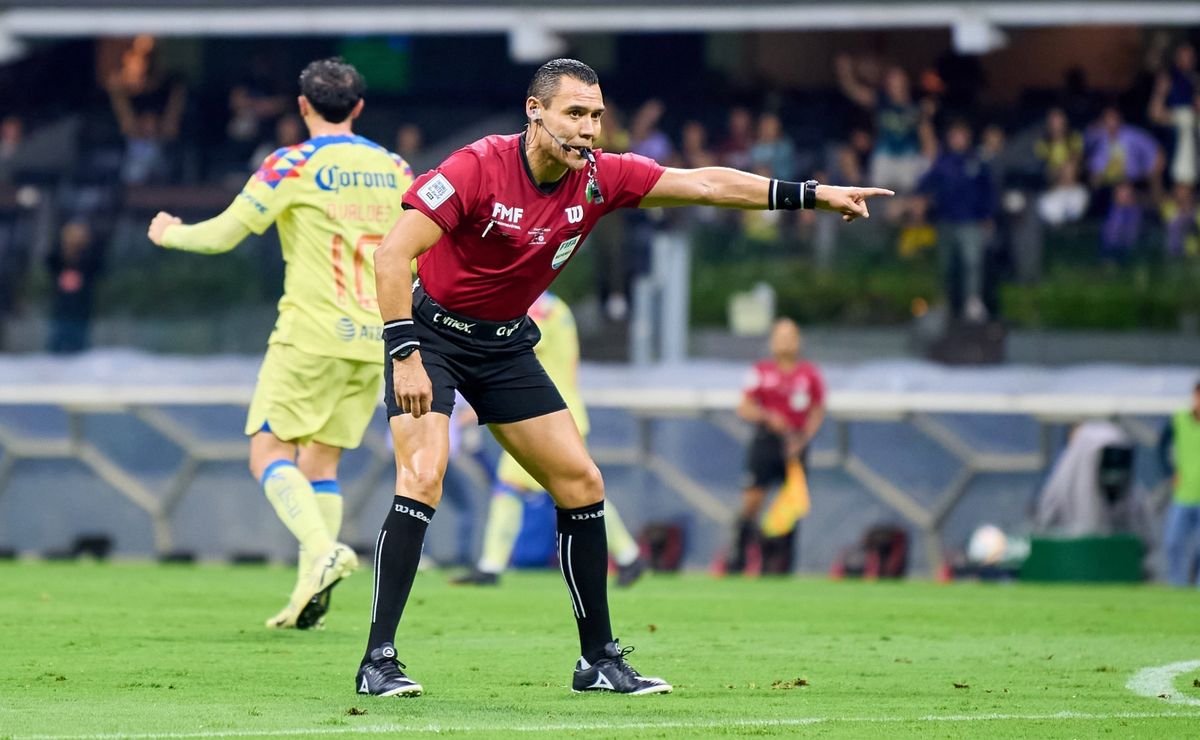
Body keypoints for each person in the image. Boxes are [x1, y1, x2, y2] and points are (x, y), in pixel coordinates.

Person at [358, 57, 890, 698]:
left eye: (596, 116)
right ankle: (378, 660)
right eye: (575, 114)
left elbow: (706, 186)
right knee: (423, 476)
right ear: (536, 112)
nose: (589, 129)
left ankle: (598, 661)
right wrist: (404, 352)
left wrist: (811, 193)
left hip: (503, 347)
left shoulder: (602, 178)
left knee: (582, 484)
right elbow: (392, 255)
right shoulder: (476, 166)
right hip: (431, 337)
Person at [146, 58, 414, 629]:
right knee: (322, 462)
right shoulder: (396, 169)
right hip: (376, 338)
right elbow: (424, 248)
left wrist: (170, 233)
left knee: (268, 452)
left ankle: (324, 553)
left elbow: (223, 236)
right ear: (360, 108)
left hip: (311, 335)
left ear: (302, 106)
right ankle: (304, 598)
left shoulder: (291, 163)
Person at [452, 291, 646, 588]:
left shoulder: (542, 308)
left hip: (549, 416)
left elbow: (507, 344)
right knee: (574, 489)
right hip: (548, 414)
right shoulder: (552, 306)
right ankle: (629, 557)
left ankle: (490, 566)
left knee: (529, 487)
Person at [725, 318, 825, 575]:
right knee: (753, 499)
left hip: (795, 443)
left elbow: (817, 411)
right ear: (772, 342)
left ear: (798, 341)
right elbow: (744, 407)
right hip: (766, 441)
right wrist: (768, 417)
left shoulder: (809, 374)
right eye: (780, 337)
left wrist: (802, 439)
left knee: (792, 502)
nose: (785, 342)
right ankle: (739, 556)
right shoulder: (761, 371)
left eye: (790, 336)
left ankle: (781, 564)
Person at [1157, 380, 1200, 587]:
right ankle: (1178, 586)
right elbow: (1161, 447)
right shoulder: (1180, 419)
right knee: (1173, 542)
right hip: (1183, 494)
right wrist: (1169, 472)